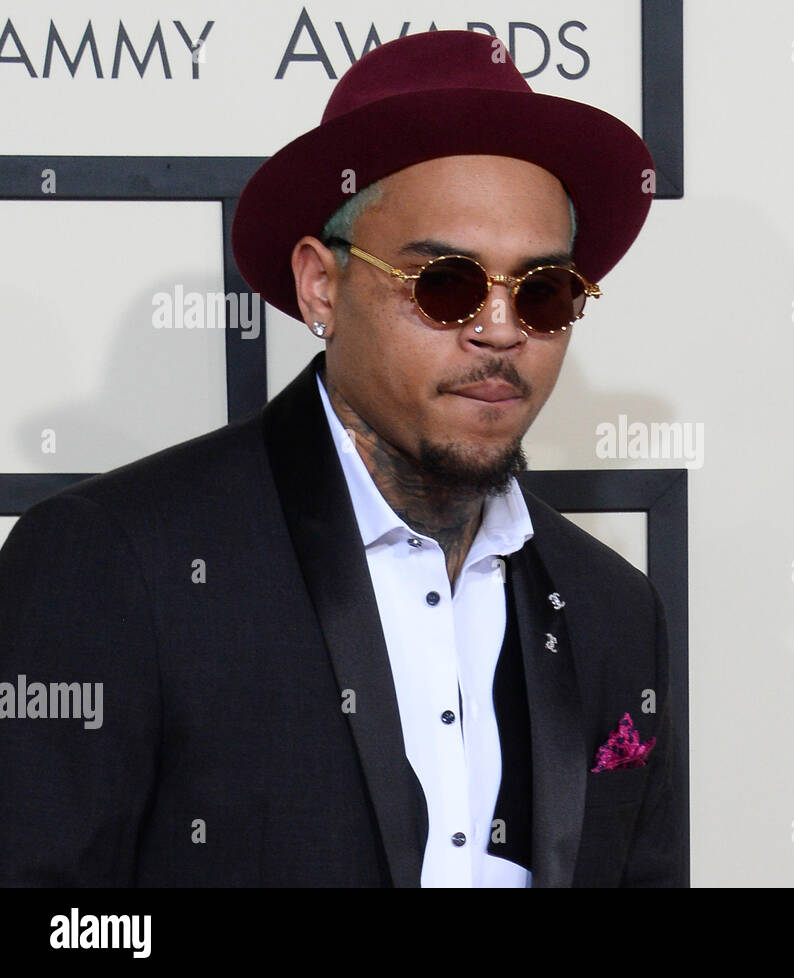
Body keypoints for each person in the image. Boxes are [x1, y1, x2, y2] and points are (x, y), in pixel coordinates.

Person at [0, 29, 681, 887]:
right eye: (447, 284)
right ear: (323, 285)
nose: (501, 328)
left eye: (542, 293)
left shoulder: (611, 607)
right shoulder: (119, 564)